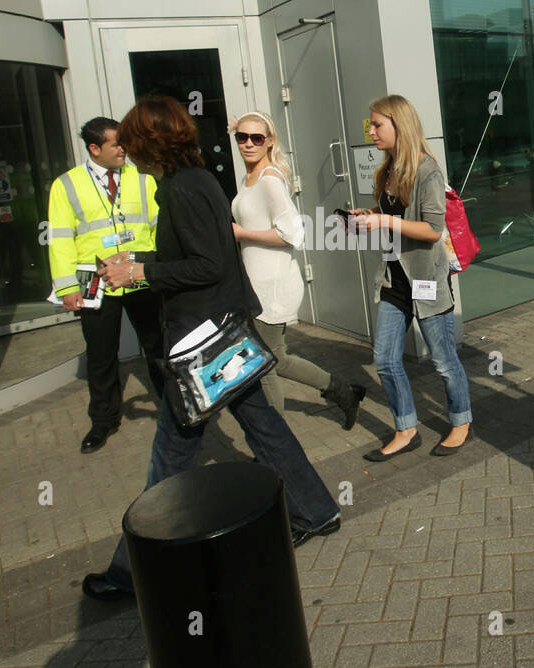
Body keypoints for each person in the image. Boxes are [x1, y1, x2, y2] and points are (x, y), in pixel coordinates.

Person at [81, 96, 341, 602]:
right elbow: (203, 252)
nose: (128, 151)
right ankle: (318, 510)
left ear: (148, 143)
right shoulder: (197, 180)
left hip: (201, 344)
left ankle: (133, 574)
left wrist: (139, 272)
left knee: (170, 458)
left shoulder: (180, 189)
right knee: (264, 427)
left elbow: (205, 266)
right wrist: (138, 257)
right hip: (224, 335)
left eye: (132, 141)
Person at [351, 95, 472, 461]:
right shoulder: (387, 170)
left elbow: (433, 229)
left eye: (377, 125)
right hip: (393, 280)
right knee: (385, 360)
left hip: (425, 281)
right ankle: (406, 429)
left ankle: (461, 422)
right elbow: (393, 212)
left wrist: (383, 221)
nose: (370, 131)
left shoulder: (427, 171)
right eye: (370, 125)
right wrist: (369, 214)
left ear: (398, 125)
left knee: (443, 361)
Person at [229, 111, 367, 428]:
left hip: (273, 285)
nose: (248, 143)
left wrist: (241, 233)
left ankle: (277, 442)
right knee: (275, 357)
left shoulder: (270, 180)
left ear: (269, 142)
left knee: (263, 364)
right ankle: (343, 391)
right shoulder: (249, 177)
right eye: (242, 137)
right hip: (256, 283)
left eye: (256, 138)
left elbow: (293, 235)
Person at [48, 117, 165, 454]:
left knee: (158, 347)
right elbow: (59, 240)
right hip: (95, 283)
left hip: (138, 275)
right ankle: (104, 420)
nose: (124, 149)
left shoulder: (141, 177)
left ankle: (174, 408)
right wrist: (66, 287)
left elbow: (157, 225)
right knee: (101, 357)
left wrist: (158, 268)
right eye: (116, 144)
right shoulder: (66, 185)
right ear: (94, 148)